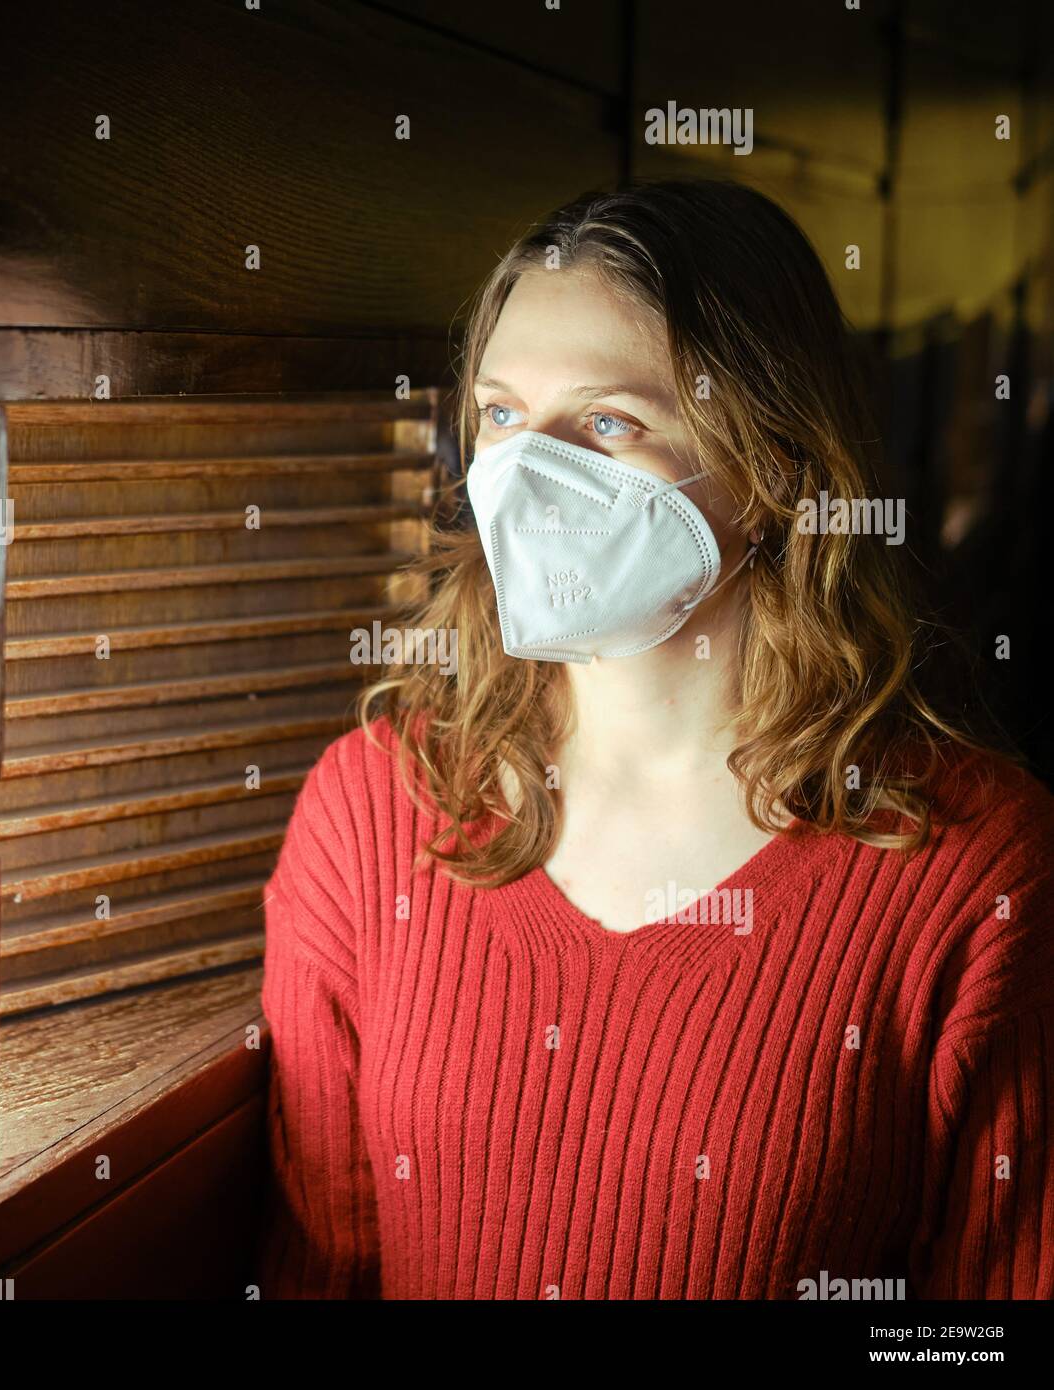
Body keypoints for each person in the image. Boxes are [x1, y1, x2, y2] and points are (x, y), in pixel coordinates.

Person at [253, 180, 1054, 1300]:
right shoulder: (373, 808)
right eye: (499, 415)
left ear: (776, 467)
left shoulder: (971, 864)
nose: (528, 477)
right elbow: (321, 1270)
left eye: (607, 422)